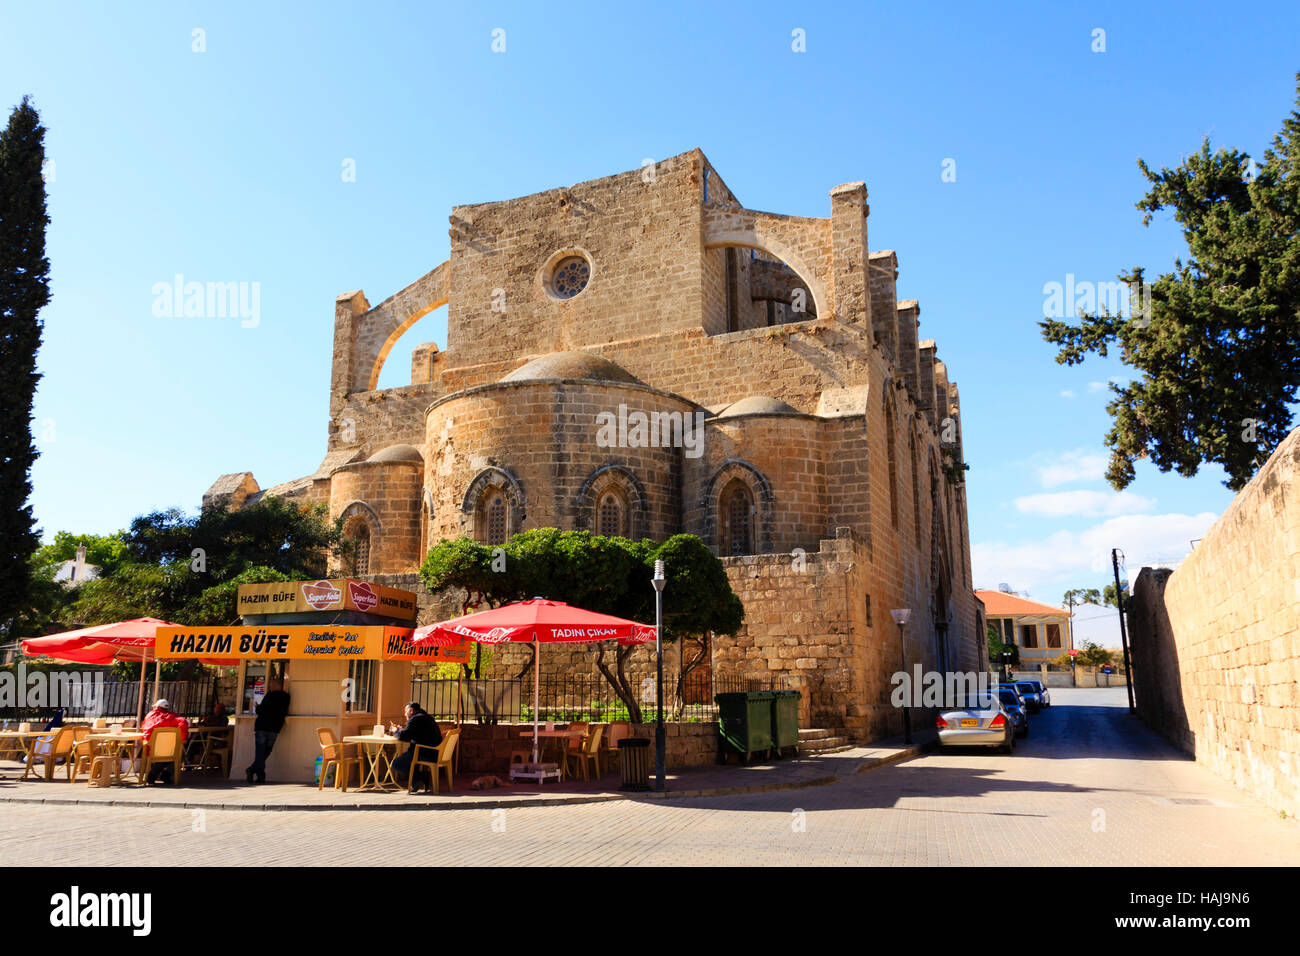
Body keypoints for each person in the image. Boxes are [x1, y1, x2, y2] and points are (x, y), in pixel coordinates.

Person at [389, 702, 442, 792]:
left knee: (396, 764)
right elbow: (412, 733)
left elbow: (404, 736)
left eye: (406, 712)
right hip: (434, 752)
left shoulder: (415, 719)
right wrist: (401, 731)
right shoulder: (428, 717)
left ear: (411, 711)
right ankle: (417, 781)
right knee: (410, 759)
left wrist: (395, 731)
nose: (405, 714)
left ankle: (421, 777)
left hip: (424, 753)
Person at [246, 678, 290, 784]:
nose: (270, 687)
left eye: (270, 685)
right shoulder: (286, 697)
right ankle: (256, 773)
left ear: (275, 685)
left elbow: (261, 711)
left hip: (262, 726)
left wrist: (257, 707)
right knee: (266, 751)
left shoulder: (269, 696)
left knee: (260, 752)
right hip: (275, 727)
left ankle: (255, 772)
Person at [142, 699, 189, 785]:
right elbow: (183, 722)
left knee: (163, 755)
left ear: (156, 706)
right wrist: (183, 738)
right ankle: (166, 775)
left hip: (150, 748)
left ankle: (152, 775)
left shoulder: (149, 715)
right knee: (180, 753)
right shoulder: (172, 717)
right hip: (168, 750)